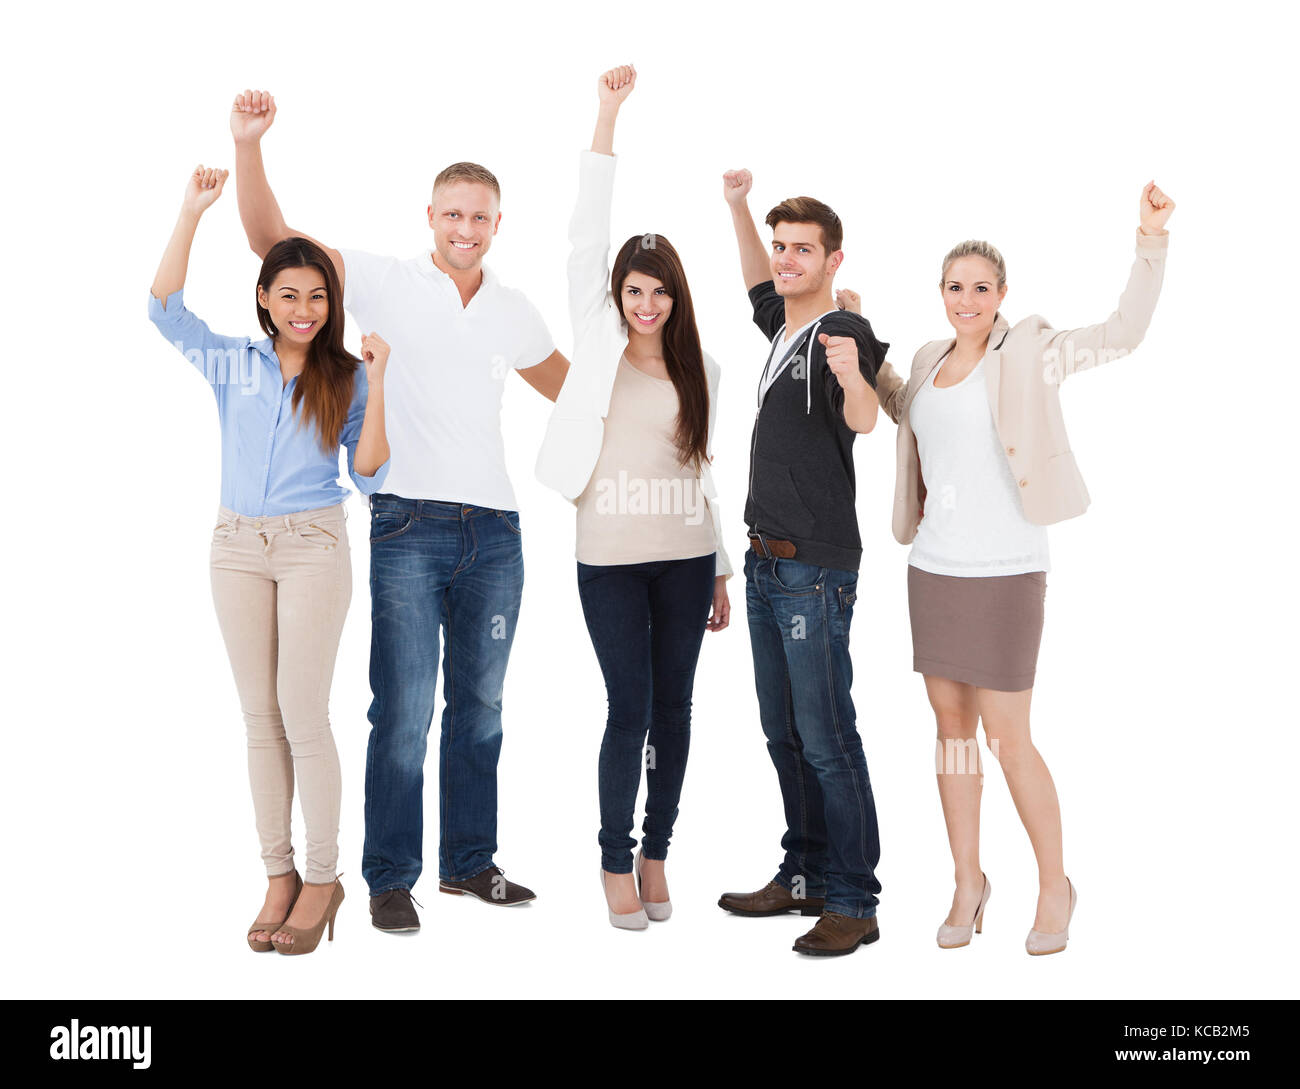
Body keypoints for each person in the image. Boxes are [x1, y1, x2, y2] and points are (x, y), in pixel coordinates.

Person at [229, 90, 570, 932]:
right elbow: (277, 247)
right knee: (404, 707)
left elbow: (578, 395)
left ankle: (469, 863)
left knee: (482, 707)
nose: (465, 227)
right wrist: (248, 146)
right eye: (452, 212)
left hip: (494, 529)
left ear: (498, 223)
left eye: (479, 216)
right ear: (430, 216)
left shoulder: (513, 308)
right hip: (407, 526)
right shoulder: (386, 280)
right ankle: (387, 876)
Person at [853, 181, 1175, 955]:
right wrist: (863, 341)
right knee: (951, 731)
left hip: (1006, 572)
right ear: (940, 293)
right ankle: (968, 882)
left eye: (981, 287)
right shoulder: (929, 359)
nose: (967, 299)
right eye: (955, 286)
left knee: (1008, 737)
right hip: (934, 569)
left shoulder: (1029, 347)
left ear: (1003, 294)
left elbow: (1123, 333)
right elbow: (902, 408)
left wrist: (1150, 238)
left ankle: (1056, 884)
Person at [148, 165, 392, 956]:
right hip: (235, 546)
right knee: (258, 718)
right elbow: (163, 309)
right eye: (288, 294)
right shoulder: (233, 365)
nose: (303, 309)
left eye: (317, 297)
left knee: (302, 712)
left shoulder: (345, 377)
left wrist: (379, 380)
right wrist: (190, 211)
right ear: (264, 298)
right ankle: (278, 873)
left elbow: (371, 473)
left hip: (313, 544)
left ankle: (324, 876)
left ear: (332, 305)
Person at [536, 66, 733, 931]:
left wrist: (721, 568)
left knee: (679, 707)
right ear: (617, 294)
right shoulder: (596, 343)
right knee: (632, 704)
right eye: (634, 289)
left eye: (660, 292)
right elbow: (587, 236)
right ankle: (614, 856)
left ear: (676, 297)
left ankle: (658, 852)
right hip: (610, 558)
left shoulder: (703, 369)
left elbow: (702, 473)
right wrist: (606, 115)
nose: (646, 303)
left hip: (687, 558)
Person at [714, 168, 889, 956]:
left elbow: (863, 419)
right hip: (762, 564)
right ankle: (805, 874)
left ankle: (852, 897)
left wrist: (857, 381)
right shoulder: (784, 323)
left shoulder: (840, 336)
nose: (786, 260)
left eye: (802, 250)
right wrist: (738, 207)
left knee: (827, 736)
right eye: (783, 248)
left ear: (834, 259)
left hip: (814, 569)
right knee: (783, 731)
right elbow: (756, 279)